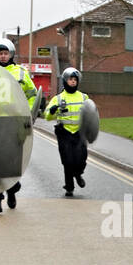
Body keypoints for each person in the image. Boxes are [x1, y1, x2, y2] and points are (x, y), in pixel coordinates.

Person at [0, 38, 37, 210]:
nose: (3, 57)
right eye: (0, 54)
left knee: (11, 160)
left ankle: (12, 189)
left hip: (15, 122)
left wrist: (29, 113)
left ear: (11, 54)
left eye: (5, 53)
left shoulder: (20, 72)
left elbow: (32, 94)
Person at [44, 68, 90, 196]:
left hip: (79, 133)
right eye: (71, 79)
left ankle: (78, 174)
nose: (73, 82)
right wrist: (52, 110)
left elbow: (91, 114)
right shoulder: (58, 99)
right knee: (68, 160)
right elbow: (47, 116)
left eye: (75, 79)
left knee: (82, 158)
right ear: (65, 81)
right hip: (64, 132)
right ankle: (69, 186)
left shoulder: (84, 97)